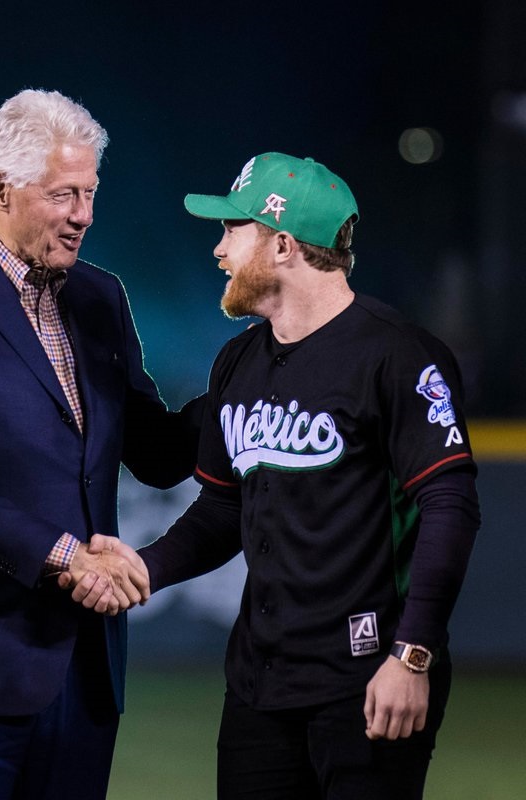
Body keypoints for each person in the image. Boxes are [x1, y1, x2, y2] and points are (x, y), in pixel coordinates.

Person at [0, 88, 201, 800]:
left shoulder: (100, 298)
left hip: (84, 668)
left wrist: (254, 377)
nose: (83, 215)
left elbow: (159, 452)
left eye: (89, 193)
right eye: (64, 194)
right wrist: (64, 557)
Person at [133, 152, 481, 799]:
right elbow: (220, 510)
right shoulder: (240, 361)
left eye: (233, 229)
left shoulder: (397, 353)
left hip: (371, 678)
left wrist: (412, 655)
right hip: (260, 683)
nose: (219, 249)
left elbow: (449, 506)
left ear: (284, 244)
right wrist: (143, 568)